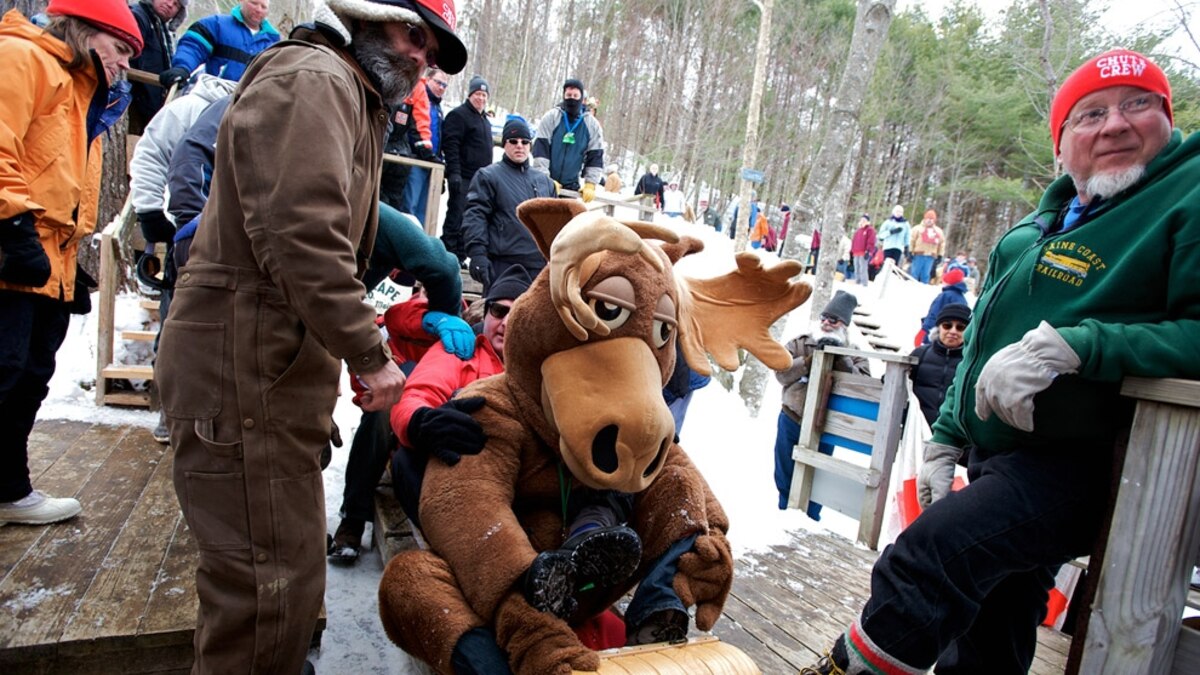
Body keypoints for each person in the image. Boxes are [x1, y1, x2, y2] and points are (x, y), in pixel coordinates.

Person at [802, 48, 1200, 675]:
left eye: (1138, 104)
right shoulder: (1036, 228)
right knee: (995, 613)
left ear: (1168, 120)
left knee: (932, 554)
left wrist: (1083, 346)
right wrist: (946, 441)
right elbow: (980, 344)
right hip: (1000, 454)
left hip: (1089, 460)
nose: (1116, 124)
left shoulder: (1187, 195)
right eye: (1090, 114)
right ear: (1061, 146)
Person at [155, 0, 466, 671]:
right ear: (365, 16)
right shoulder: (314, 81)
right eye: (415, 36)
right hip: (242, 381)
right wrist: (369, 351)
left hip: (265, 381)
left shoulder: (348, 96)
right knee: (261, 601)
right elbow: (301, 235)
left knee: (285, 587)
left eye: (433, 52)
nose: (423, 59)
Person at [0, 0, 141, 525]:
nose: (125, 63)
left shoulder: (88, 97)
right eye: (120, 48)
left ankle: (9, 489)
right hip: (13, 244)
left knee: (29, 377)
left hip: (51, 259)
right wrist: (12, 227)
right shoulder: (21, 57)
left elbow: (63, 180)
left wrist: (68, 262)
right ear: (86, 30)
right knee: (4, 371)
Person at [773, 291, 870, 516]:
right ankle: (782, 513)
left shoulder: (854, 353)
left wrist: (840, 358)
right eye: (824, 318)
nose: (826, 323)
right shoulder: (800, 343)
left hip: (827, 425)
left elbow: (864, 385)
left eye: (833, 320)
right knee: (784, 469)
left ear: (844, 325)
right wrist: (808, 361)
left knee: (817, 478)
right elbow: (781, 374)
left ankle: (810, 518)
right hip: (792, 416)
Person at [463, 118, 557, 292]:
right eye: (513, 141)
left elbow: (555, 226)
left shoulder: (545, 182)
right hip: (503, 264)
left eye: (525, 141)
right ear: (504, 145)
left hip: (538, 266)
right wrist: (477, 253)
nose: (519, 145)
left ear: (530, 146)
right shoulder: (488, 176)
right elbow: (475, 216)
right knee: (500, 317)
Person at [159, 0, 279, 88]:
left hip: (247, 104)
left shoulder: (273, 42)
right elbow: (193, 47)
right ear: (241, 1)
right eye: (254, 3)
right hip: (212, 94)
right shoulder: (218, 24)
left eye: (263, 7)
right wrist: (182, 67)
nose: (258, 9)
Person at [441, 75, 493, 263]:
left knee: (471, 219)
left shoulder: (484, 119)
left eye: (484, 95)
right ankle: (447, 254)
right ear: (470, 95)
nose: (481, 98)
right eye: (477, 94)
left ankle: (461, 256)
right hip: (462, 176)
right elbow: (451, 145)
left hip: (479, 179)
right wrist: (454, 172)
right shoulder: (459, 115)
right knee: (456, 216)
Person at [533, 78, 605, 202]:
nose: (572, 98)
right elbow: (540, 150)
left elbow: (595, 156)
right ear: (563, 96)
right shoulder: (551, 118)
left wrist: (590, 183)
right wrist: (545, 178)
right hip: (547, 184)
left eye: (575, 95)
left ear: (582, 98)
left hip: (571, 186)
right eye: (568, 95)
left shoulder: (592, 125)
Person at [127, 0, 189, 135]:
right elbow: (128, 61)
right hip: (132, 105)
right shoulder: (138, 17)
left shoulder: (161, 29)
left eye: (177, 4)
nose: (170, 4)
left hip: (148, 108)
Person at [399, 66, 449, 225]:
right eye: (438, 83)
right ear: (428, 79)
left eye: (444, 85)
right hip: (416, 159)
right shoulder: (417, 96)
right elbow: (414, 129)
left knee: (424, 211)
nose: (441, 88)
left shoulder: (438, 108)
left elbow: (438, 138)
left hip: (431, 163)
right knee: (409, 207)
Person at [909, 304, 970, 427]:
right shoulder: (920, 354)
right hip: (917, 429)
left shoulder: (971, 360)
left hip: (951, 434)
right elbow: (900, 382)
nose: (953, 331)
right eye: (947, 325)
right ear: (939, 328)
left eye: (960, 327)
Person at [915, 267, 968, 346]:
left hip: (936, 329)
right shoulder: (961, 298)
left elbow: (934, 313)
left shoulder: (945, 295)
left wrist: (926, 328)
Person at [909, 209, 945, 284]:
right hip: (919, 254)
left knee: (925, 275)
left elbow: (941, 244)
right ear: (925, 219)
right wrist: (910, 251)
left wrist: (940, 255)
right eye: (928, 218)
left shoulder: (938, 231)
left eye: (932, 219)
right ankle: (911, 287)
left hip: (930, 256)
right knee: (915, 273)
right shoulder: (917, 229)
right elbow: (911, 240)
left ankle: (923, 289)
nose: (929, 221)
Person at [850, 214, 875, 287]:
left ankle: (864, 284)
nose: (862, 222)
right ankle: (857, 281)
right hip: (856, 252)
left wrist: (868, 250)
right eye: (861, 220)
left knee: (863, 268)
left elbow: (871, 241)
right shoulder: (858, 231)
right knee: (856, 268)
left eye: (864, 220)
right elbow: (854, 241)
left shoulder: (870, 230)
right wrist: (852, 251)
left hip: (863, 252)